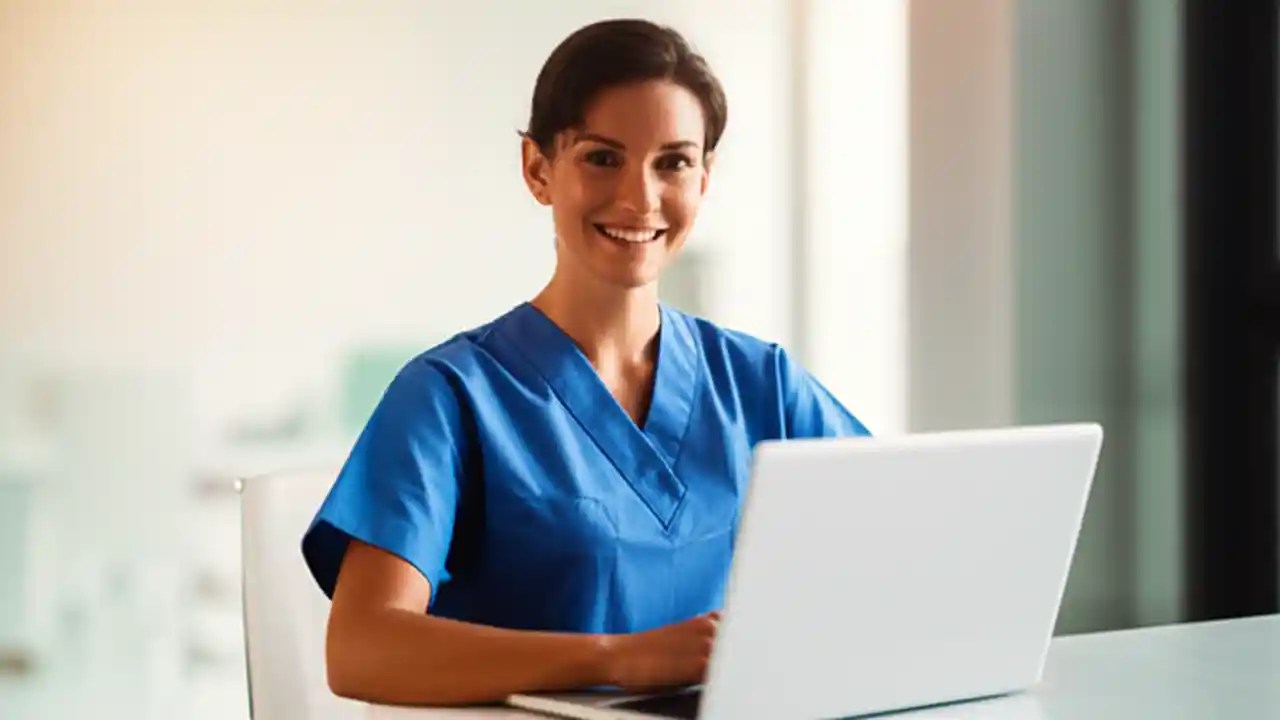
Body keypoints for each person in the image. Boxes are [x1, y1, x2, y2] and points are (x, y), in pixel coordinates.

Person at [302, 18, 870, 707]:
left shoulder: (762, 385)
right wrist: (620, 658)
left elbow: (899, 544)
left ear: (705, 176)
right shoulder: (451, 397)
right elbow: (362, 648)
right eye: (603, 158)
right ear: (538, 170)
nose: (640, 198)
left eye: (674, 162)